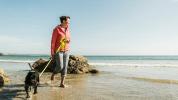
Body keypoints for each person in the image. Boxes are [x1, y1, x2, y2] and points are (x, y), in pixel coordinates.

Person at [50, 16, 71, 88]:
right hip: (58, 51)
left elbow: (69, 39)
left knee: (65, 67)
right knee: (60, 66)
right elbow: (53, 42)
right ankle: (53, 74)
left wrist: (68, 41)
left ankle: (62, 83)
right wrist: (52, 53)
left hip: (66, 50)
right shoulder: (56, 29)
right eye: (68, 21)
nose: (69, 23)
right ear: (63, 21)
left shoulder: (67, 29)